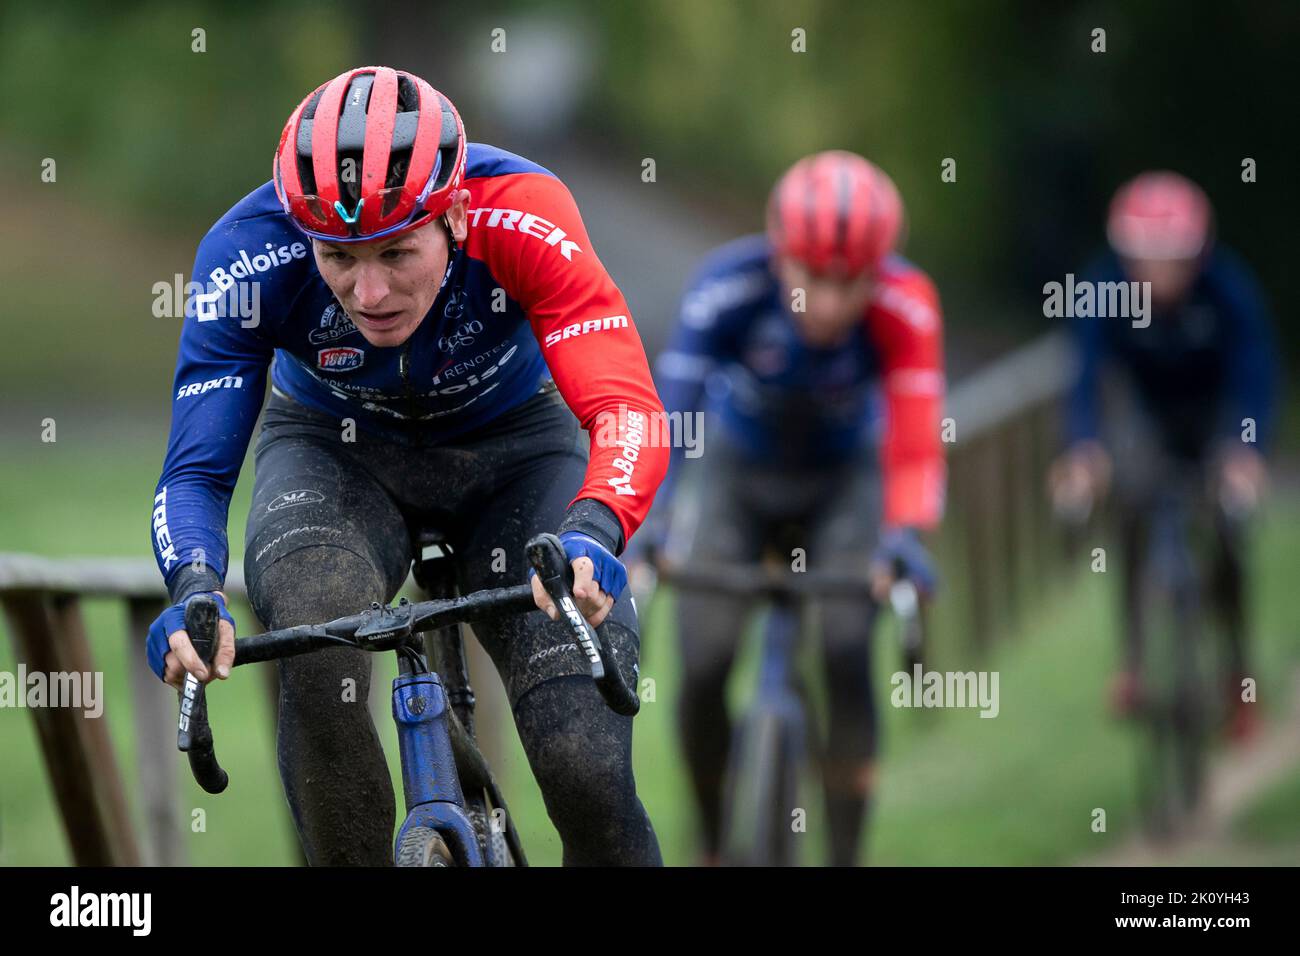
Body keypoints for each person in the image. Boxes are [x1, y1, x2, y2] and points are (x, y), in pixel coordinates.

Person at [144, 66, 667, 865]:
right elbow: (195, 475)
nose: (371, 289)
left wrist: (596, 525)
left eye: (398, 252)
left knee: (585, 771)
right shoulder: (247, 256)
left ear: (453, 213)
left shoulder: (522, 210)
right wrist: (192, 587)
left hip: (515, 457)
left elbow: (625, 409)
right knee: (316, 647)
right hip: (334, 456)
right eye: (338, 258)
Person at [642, 151, 946, 865]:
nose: (833, 303)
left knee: (844, 648)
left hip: (845, 482)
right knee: (706, 659)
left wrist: (903, 537)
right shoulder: (724, 287)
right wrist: (650, 521)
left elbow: (915, 438)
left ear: (880, 271)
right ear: (780, 260)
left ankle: (845, 853)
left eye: (853, 284)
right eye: (813, 279)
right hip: (737, 477)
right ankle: (713, 837)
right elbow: (669, 417)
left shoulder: (907, 303)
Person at [1050, 170, 1279, 738]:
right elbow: (1083, 376)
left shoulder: (1229, 289)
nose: (1157, 275)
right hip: (1147, 419)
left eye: (1172, 260)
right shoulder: (1102, 289)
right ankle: (1133, 661)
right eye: (1143, 259)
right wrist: (1082, 452)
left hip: (1217, 415)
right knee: (1130, 506)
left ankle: (1236, 675)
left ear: (1198, 253)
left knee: (1230, 530)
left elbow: (1255, 373)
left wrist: (1246, 450)